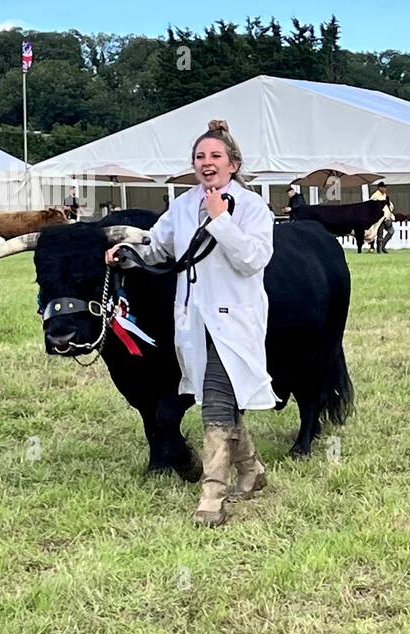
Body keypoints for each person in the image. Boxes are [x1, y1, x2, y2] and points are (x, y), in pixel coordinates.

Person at [105, 120, 276, 528]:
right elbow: (159, 247)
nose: (207, 163)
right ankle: (251, 471)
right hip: (192, 323)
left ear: (233, 164)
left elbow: (253, 259)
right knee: (218, 399)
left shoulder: (253, 209)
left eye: (216, 156)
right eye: (200, 157)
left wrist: (221, 220)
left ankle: (212, 494)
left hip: (235, 322)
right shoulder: (182, 207)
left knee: (215, 402)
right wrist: (125, 251)